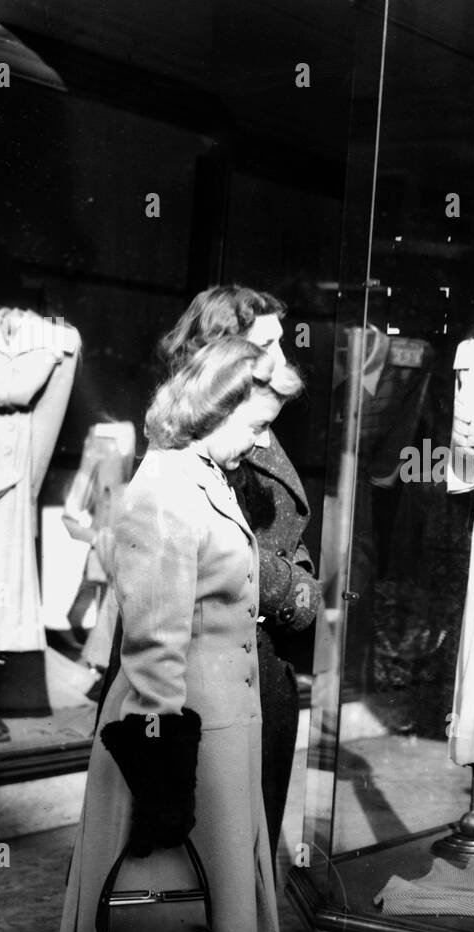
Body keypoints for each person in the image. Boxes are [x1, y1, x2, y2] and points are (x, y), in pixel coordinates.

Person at [60, 337, 303, 932]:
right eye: (255, 426)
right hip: (179, 741)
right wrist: (162, 793)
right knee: (171, 905)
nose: (262, 441)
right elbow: (151, 647)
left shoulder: (211, 477)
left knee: (213, 900)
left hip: (220, 736)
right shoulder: (165, 490)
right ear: (215, 410)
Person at [156, 285, 321, 855]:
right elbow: (223, 557)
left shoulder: (260, 426)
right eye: (267, 343)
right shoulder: (206, 440)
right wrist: (287, 585)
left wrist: (295, 582)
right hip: (218, 672)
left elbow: (282, 544)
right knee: (207, 857)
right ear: (225, 353)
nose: (283, 356)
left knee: (246, 850)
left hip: (264, 670)